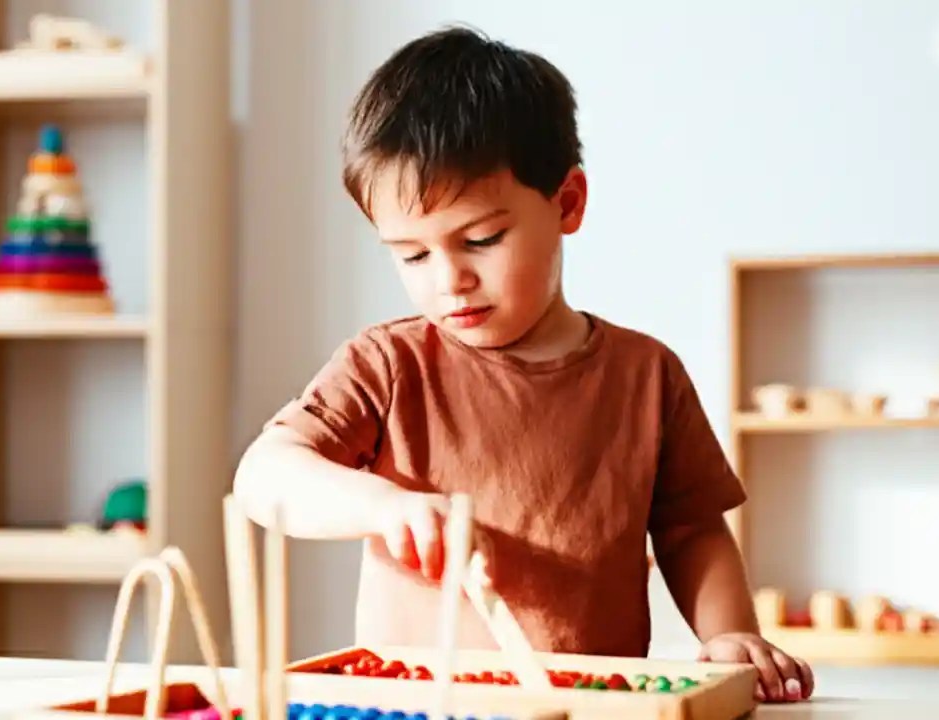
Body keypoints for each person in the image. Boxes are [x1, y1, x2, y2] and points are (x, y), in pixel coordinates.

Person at [233, 25, 813, 703]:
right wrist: (381, 504)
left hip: (594, 702)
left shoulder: (646, 375)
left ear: (567, 203)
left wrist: (729, 634)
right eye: (412, 254)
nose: (449, 279)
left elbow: (691, 530)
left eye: (480, 238)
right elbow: (264, 474)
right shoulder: (386, 363)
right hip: (421, 704)